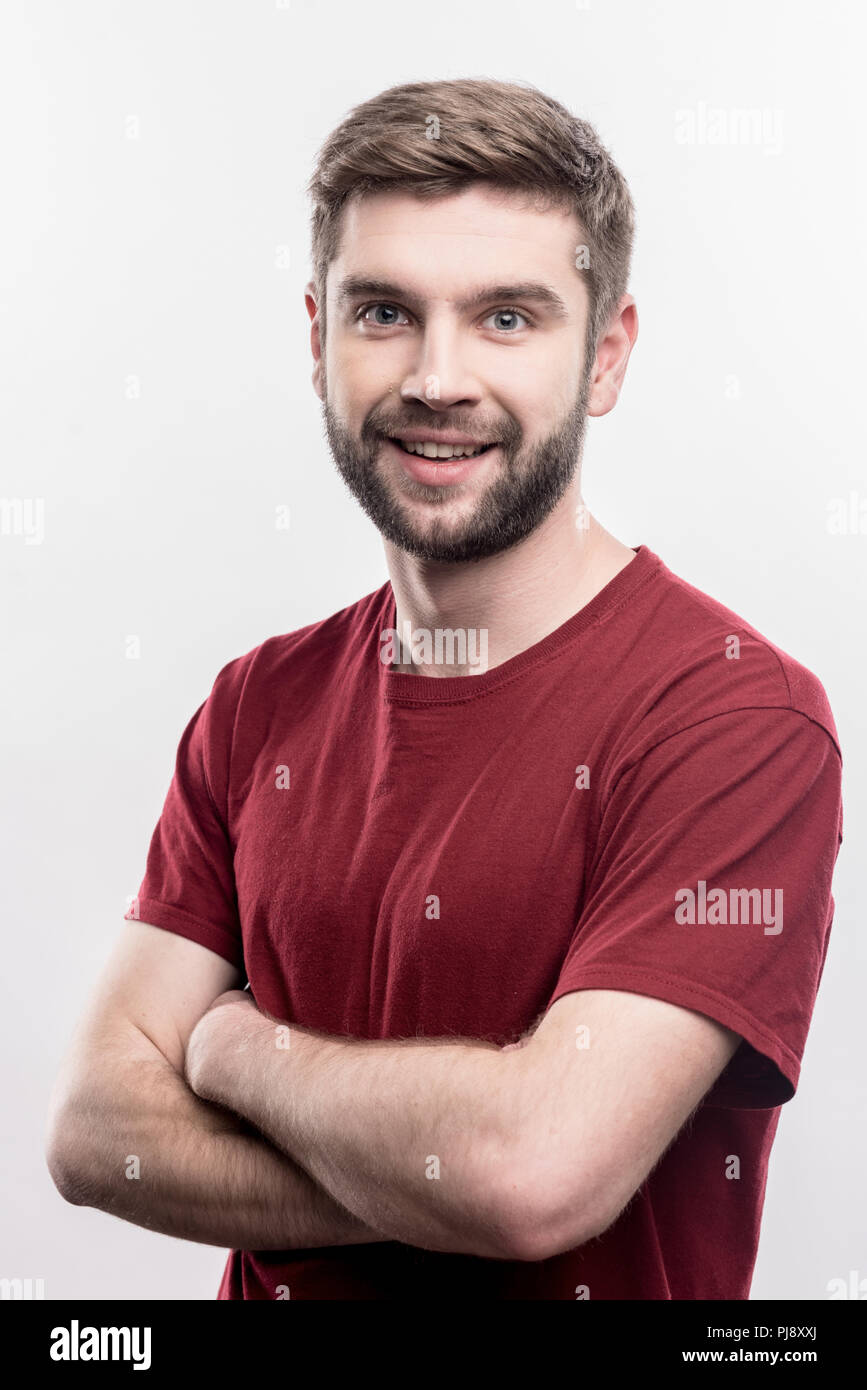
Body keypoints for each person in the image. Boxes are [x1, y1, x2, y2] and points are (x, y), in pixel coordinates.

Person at [47, 77, 843, 1300]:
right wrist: (446, 1174)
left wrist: (231, 1046)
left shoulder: (734, 722)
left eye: (508, 319)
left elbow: (535, 1178)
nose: (436, 378)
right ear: (317, 339)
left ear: (608, 356)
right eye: (384, 313)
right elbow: (97, 1132)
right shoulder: (256, 704)